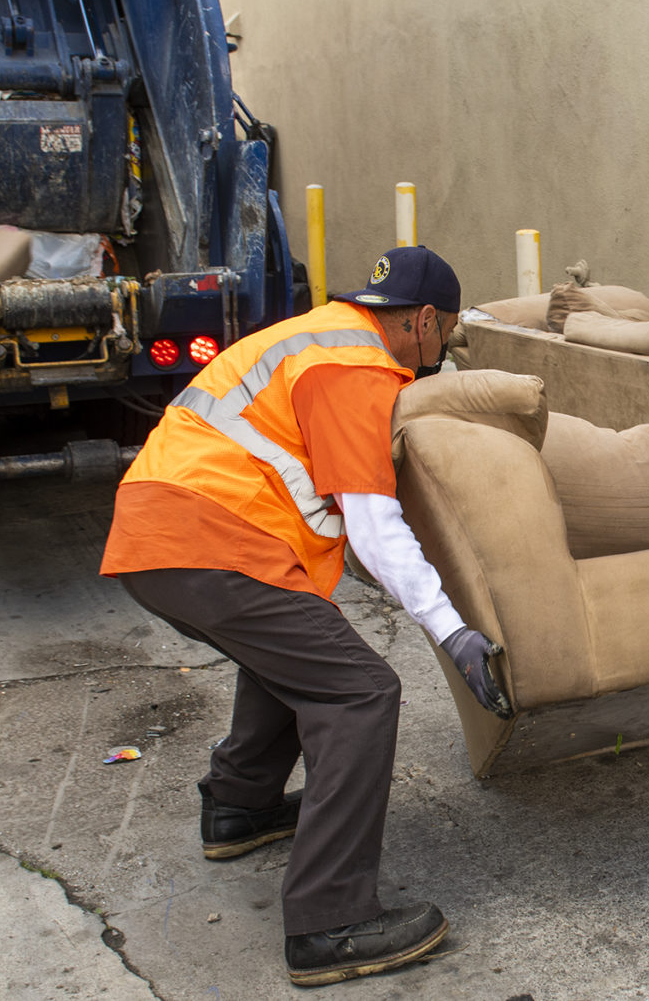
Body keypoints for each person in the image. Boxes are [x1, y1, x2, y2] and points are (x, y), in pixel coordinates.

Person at [99, 245, 511, 987]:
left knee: (303, 652)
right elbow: (374, 525)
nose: (439, 352)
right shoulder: (354, 370)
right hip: (207, 540)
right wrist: (452, 631)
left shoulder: (318, 335)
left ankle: (240, 807)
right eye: (443, 335)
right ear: (421, 321)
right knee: (359, 693)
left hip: (169, 532)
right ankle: (331, 924)